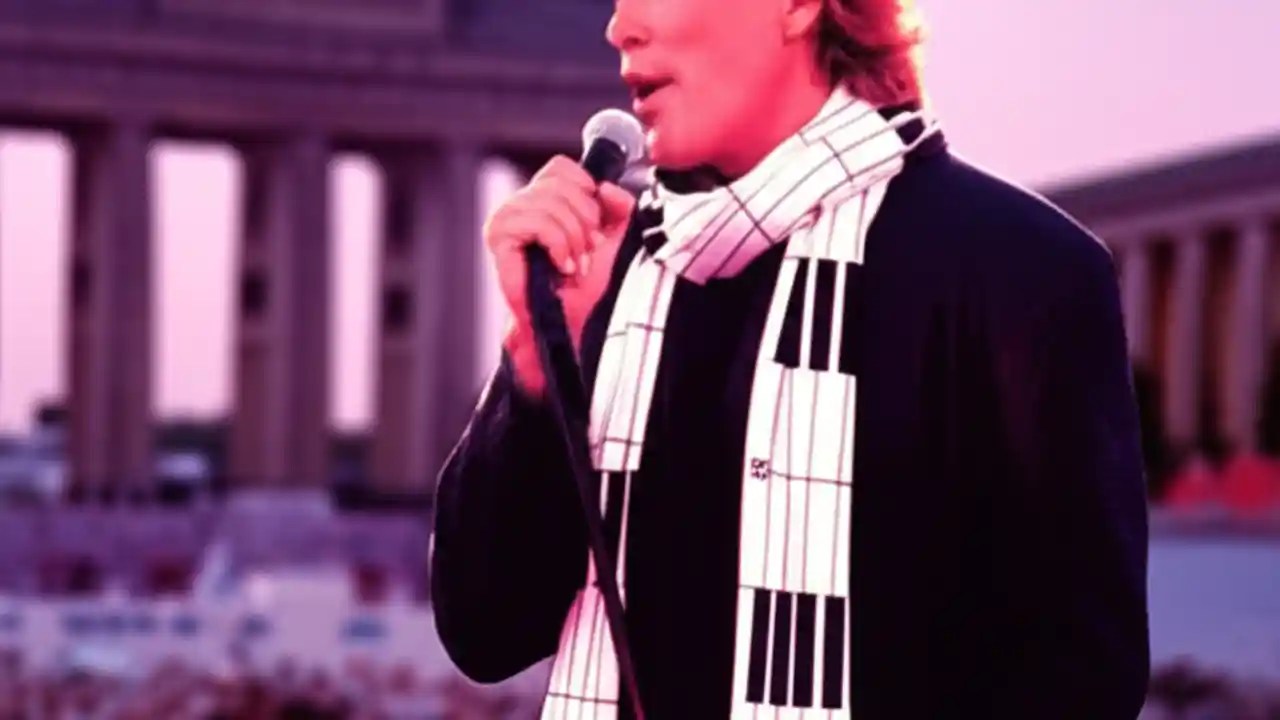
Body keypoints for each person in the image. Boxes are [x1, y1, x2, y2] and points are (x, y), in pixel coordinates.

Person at [429, 0, 1151, 717]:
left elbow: (1080, 681)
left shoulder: (1021, 271)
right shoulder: (615, 271)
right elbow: (485, 632)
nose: (620, 27)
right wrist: (538, 347)